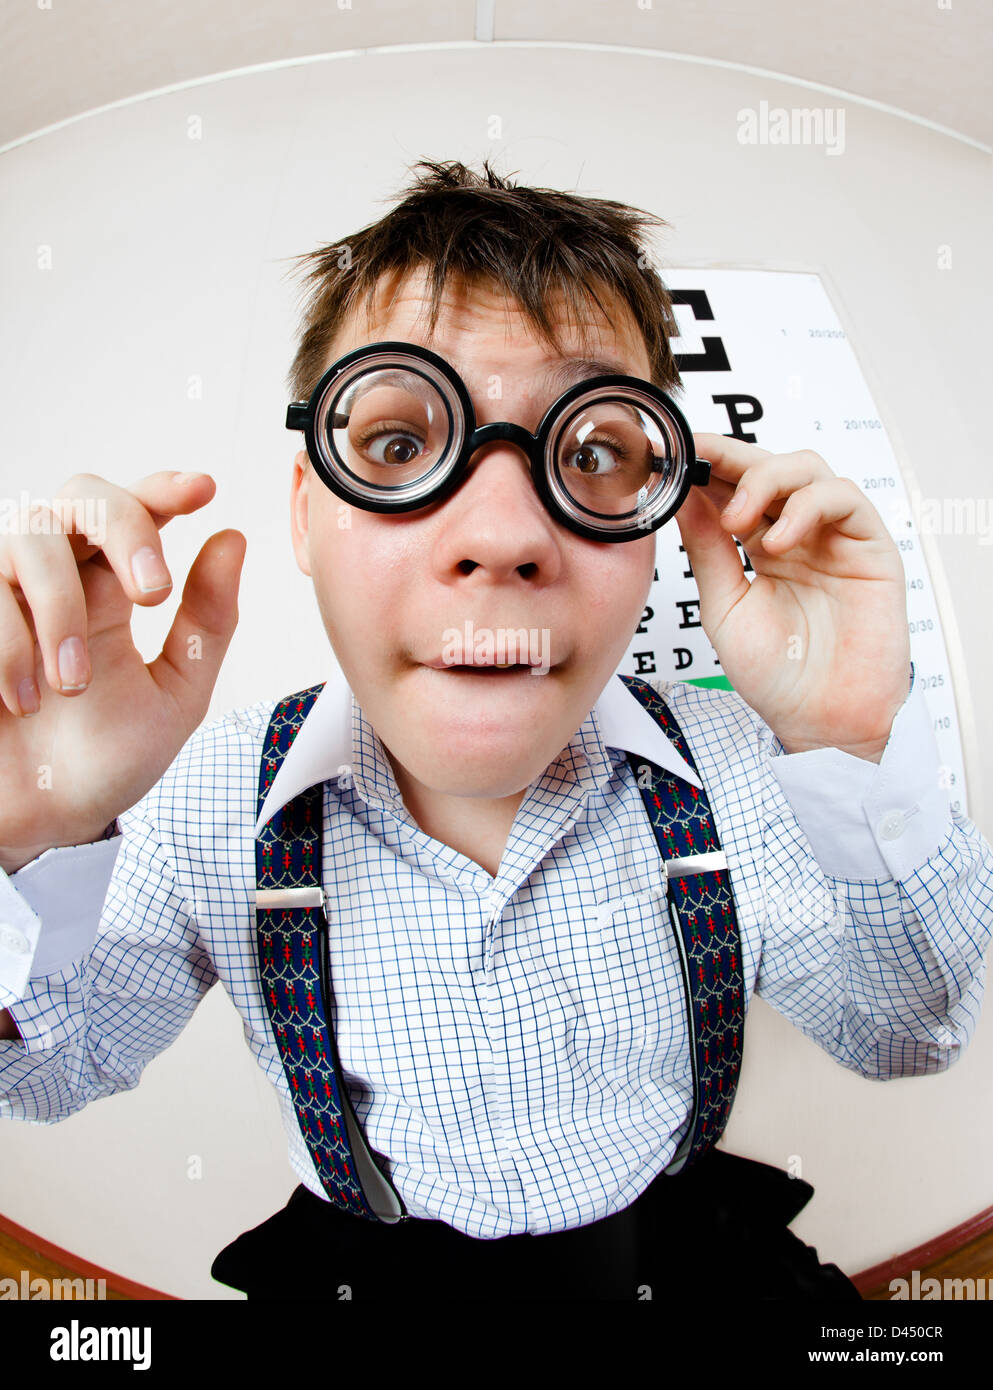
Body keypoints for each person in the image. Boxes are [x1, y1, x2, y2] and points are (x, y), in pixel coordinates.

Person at [0, 158, 990, 1302]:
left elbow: (911, 1035)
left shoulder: (745, 775)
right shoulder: (212, 801)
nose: (506, 533)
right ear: (307, 513)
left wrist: (855, 741)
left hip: (666, 1258)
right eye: (397, 444)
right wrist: (28, 843)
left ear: (662, 515)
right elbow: (47, 1072)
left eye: (591, 451)